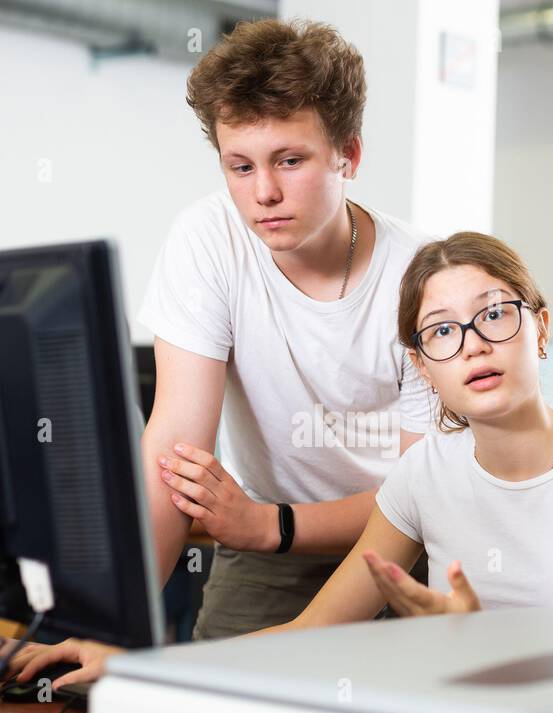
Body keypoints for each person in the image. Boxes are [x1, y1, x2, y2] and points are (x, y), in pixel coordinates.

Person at [8, 233, 553, 685]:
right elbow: (310, 635)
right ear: (422, 368)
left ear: (539, 329)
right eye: (442, 333)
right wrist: (134, 666)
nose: (475, 345)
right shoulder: (424, 476)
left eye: (495, 314)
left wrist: (473, 643)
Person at [136, 18, 433, 638]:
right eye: (239, 167)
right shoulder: (206, 239)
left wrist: (272, 523)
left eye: (289, 160)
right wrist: (118, 621)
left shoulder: (423, 273)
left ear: (348, 155)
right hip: (266, 548)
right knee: (215, 709)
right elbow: (175, 445)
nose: (263, 193)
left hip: (410, 540)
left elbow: (422, 494)